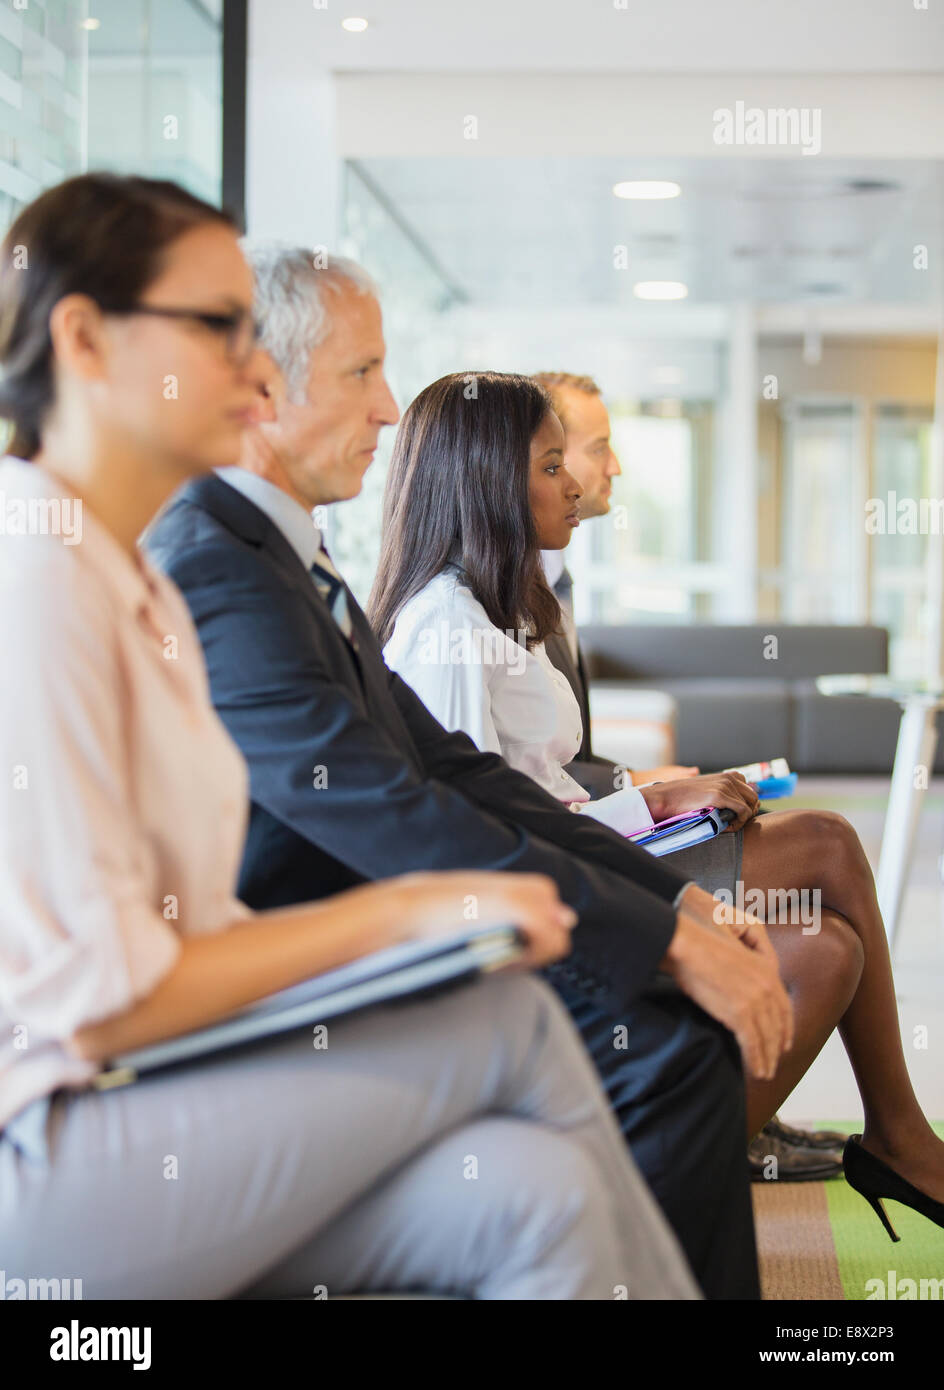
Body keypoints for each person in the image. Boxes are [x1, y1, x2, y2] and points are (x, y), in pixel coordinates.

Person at [0, 174, 703, 1303]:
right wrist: (409, 913)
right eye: (220, 328)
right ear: (83, 339)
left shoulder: (131, 578)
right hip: (58, 1134)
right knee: (512, 1020)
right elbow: (103, 992)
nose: (256, 368)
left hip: (146, 1084)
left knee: (537, 1192)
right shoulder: (36, 575)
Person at [144, 244, 796, 1300]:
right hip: (310, 976)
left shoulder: (288, 563)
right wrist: (658, 938)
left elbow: (458, 771)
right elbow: (397, 818)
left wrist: (675, 905)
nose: (389, 408)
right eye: (362, 373)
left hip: (379, 939)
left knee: (673, 1034)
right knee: (668, 1052)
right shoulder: (218, 568)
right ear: (262, 385)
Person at [372, 367, 944, 1233]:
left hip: (586, 846)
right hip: (567, 885)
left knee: (828, 951)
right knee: (827, 843)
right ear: (488, 478)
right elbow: (483, 834)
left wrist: (657, 800)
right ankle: (900, 1142)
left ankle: (687, 1176)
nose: (575, 483)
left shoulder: (490, 608)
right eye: (551, 465)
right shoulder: (443, 628)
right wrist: (651, 810)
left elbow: (538, 793)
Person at [533, 370, 848, 1181]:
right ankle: (893, 1146)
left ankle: (764, 1120)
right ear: (545, 459)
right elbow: (523, 785)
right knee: (828, 846)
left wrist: (646, 782)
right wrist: (640, 789)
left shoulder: (552, 584)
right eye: (597, 448)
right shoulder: (487, 609)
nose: (614, 469)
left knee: (830, 922)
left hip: (598, 827)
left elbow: (548, 761)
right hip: (579, 862)